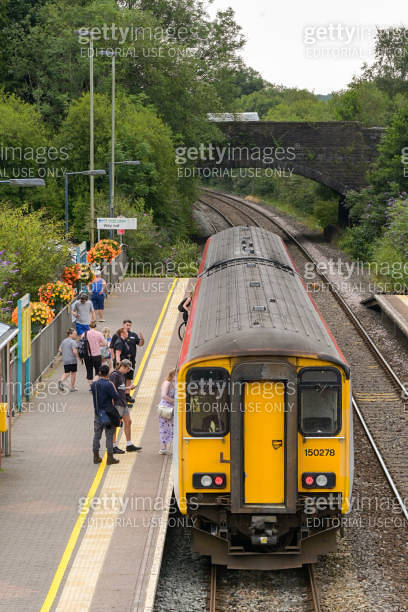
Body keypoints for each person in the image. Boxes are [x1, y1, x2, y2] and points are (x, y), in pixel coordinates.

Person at [109, 360, 142, 453]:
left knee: (128, 421)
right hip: (117, 403)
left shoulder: (121, 375)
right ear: (123, 367)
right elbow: (111, 389)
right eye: (128, 369)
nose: (128, 371)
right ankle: (113, 446)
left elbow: (120, 388)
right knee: (115, 425)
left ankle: (129, 444)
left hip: (123, 402)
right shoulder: (114, 375)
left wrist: (128, 388)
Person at [91, 364, 120, 465]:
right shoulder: (108, 384)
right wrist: (113, 387)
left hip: (98, 414)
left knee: (97, 435)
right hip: (108, 414)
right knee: (109, 435)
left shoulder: (94, 384)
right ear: (108, 373)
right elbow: (116, 396)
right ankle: (110, 458)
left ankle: (96, 456)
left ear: (99, 372)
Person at [110, 320, 144, 402]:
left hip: (130, 360)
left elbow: (140, 344)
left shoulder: (133, 335)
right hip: (122, 362)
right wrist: (115, 360)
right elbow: (112, 348)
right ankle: (121, 396)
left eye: (130, 325)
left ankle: (127, 394)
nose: (128, 327)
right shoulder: (117, 336)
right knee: (121, 379)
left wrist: (142, 338)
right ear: (123, 325)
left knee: (129, 377)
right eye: (127, 325)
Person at [82, 321, 108, 388]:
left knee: (89, 370)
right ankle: (94, 382)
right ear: (95, 326)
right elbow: (105, 343)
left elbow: (81, 343)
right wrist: (98, 344)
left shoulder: (84, 334)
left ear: (89, 326)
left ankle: (91, 386)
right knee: (98, 370)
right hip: (97, 355)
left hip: (87, 355)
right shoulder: (99, 334)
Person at [158, 369, 175, 454]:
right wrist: (173, 401)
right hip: (166, 408)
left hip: (170, 408)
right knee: (165, 427)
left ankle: (166, 448)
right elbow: (164, 395)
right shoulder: (167, 383)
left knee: (171, 427)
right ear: (172, 375)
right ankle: (163, 448)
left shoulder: (172, 383)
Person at [58, 328, 79, 392]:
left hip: (65, 359)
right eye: (74, 334)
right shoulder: (73, 342)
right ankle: (72, 387)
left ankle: (61, 380)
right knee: (73, 373)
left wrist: (65, 352)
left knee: (66, 372)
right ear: (70, 334)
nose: (76, 335)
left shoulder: (64, 341)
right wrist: (79, 357)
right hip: (72, 360)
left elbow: (60, 349)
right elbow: (74, 351)